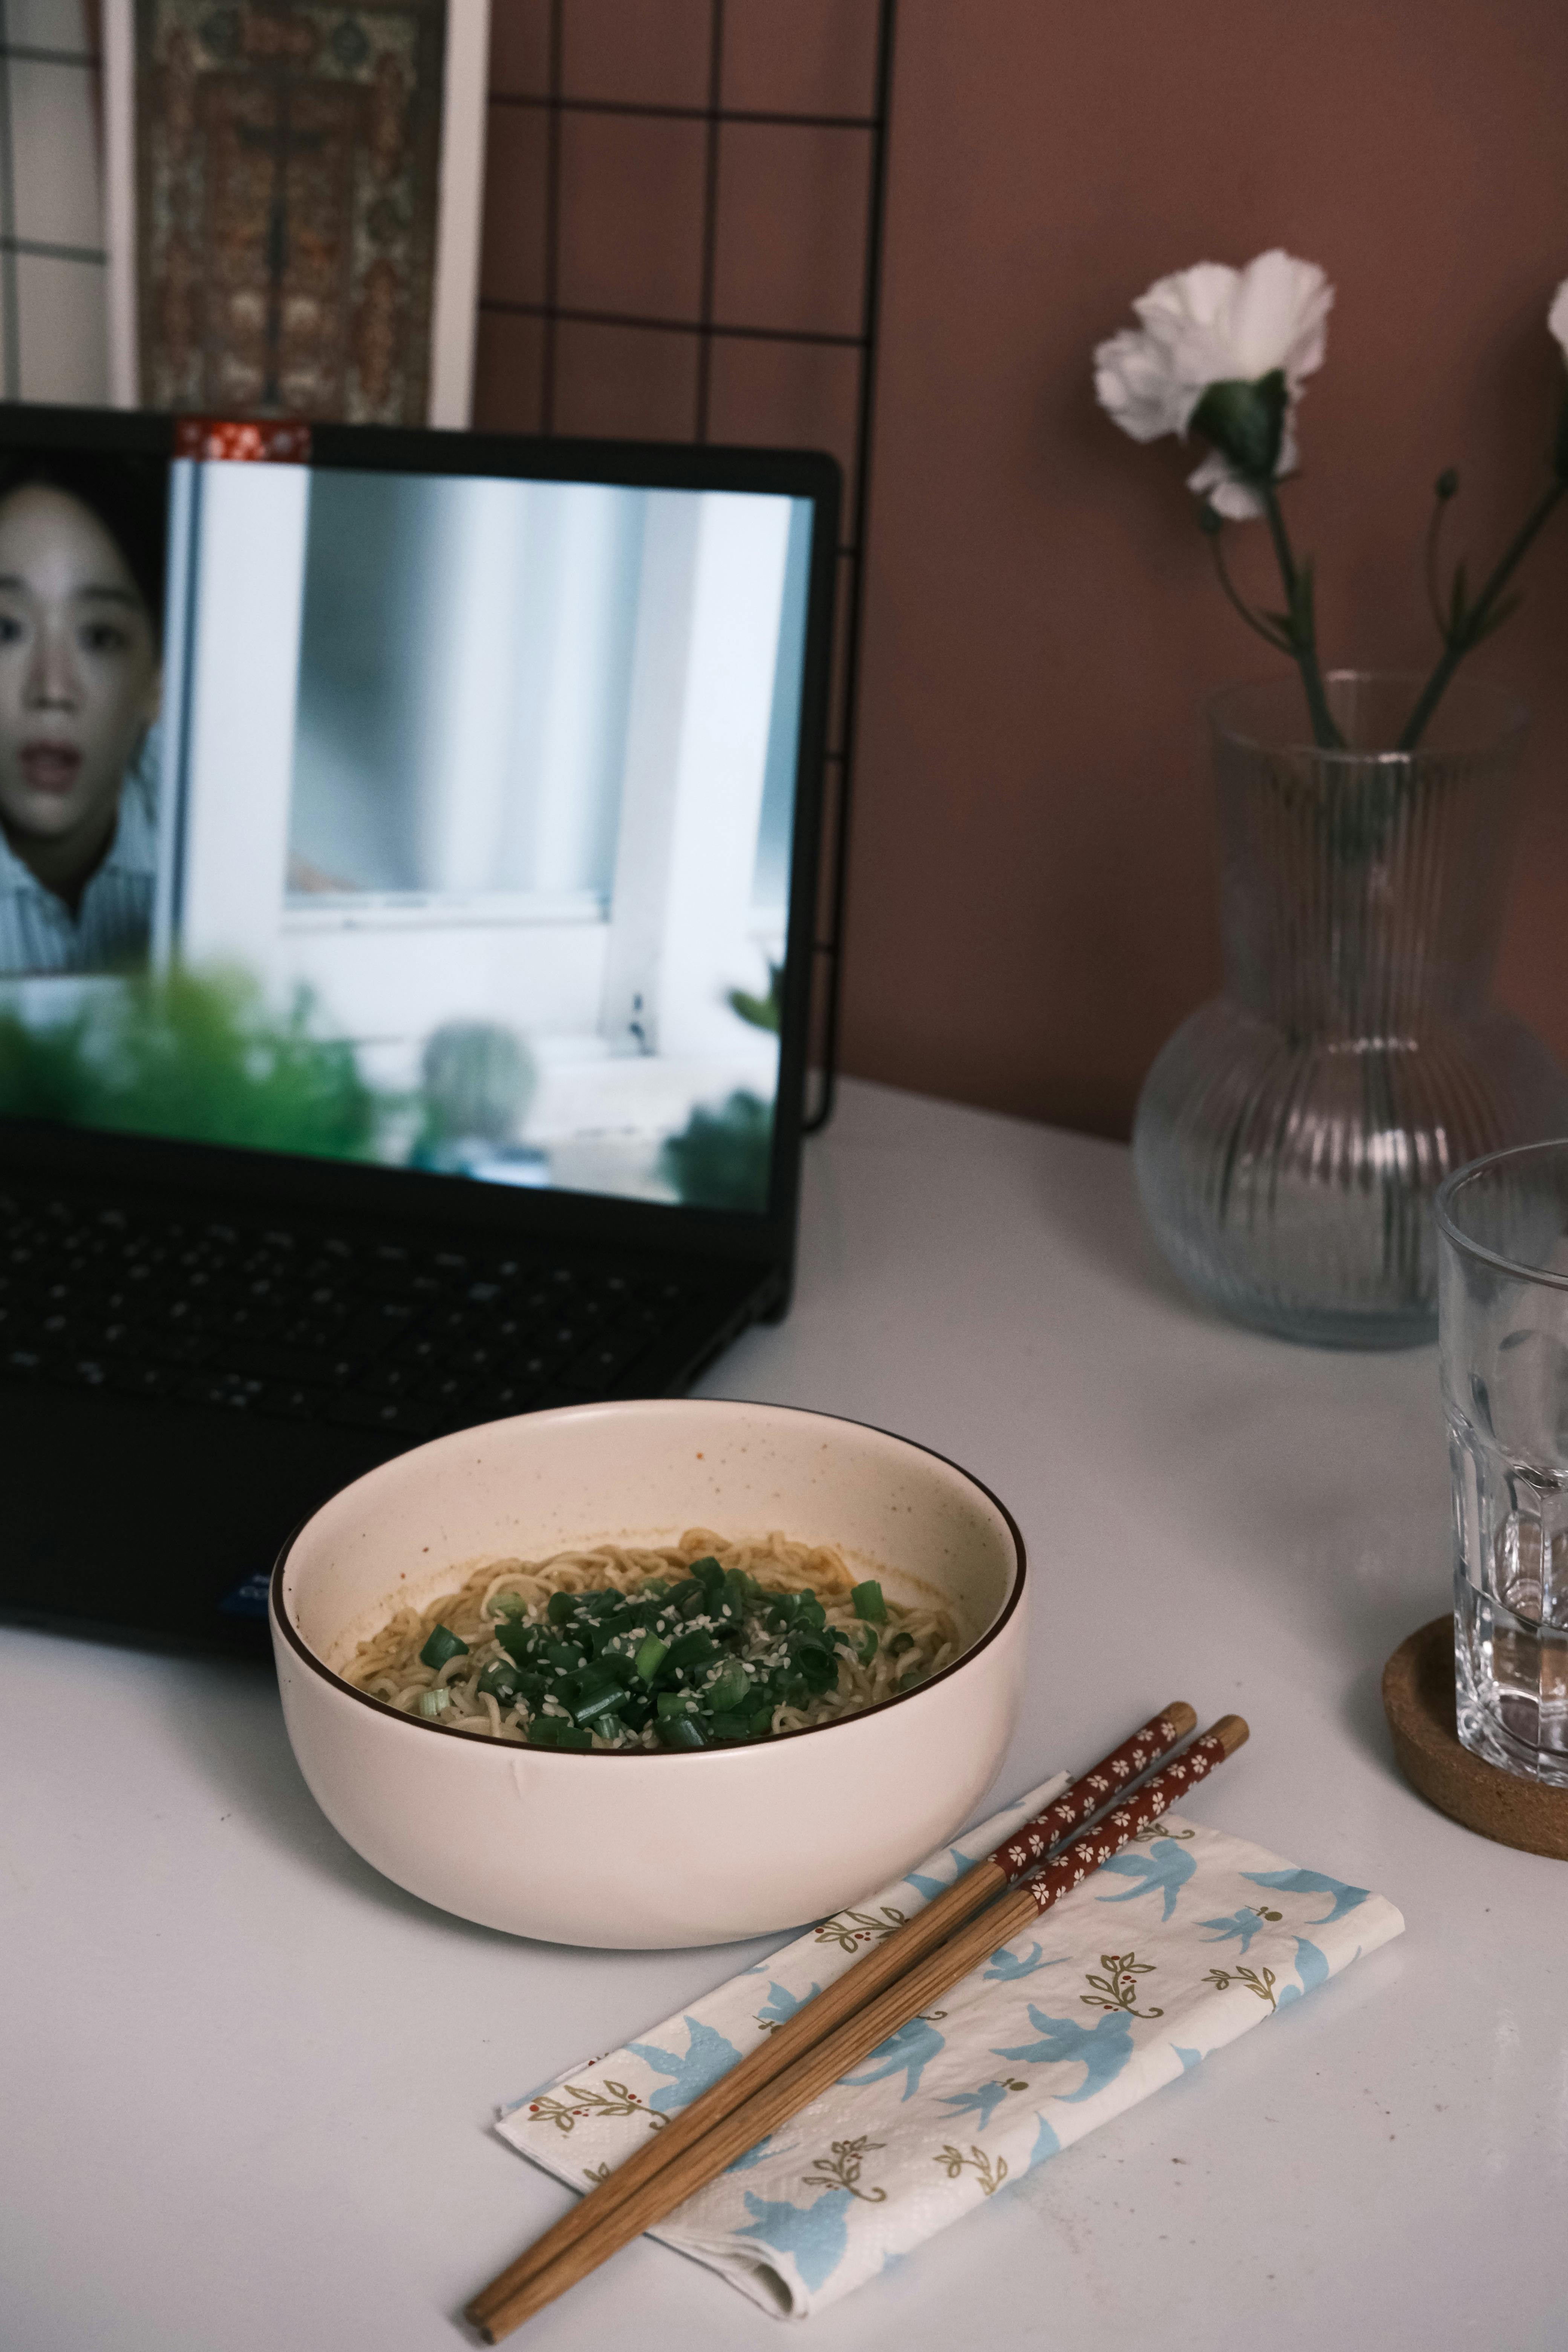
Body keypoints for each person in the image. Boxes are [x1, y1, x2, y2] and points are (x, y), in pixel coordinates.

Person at [0, 452, 167, 975]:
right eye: (5, 631)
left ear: (158, 681)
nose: (52, 689)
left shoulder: (206, 837)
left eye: (99, 637)